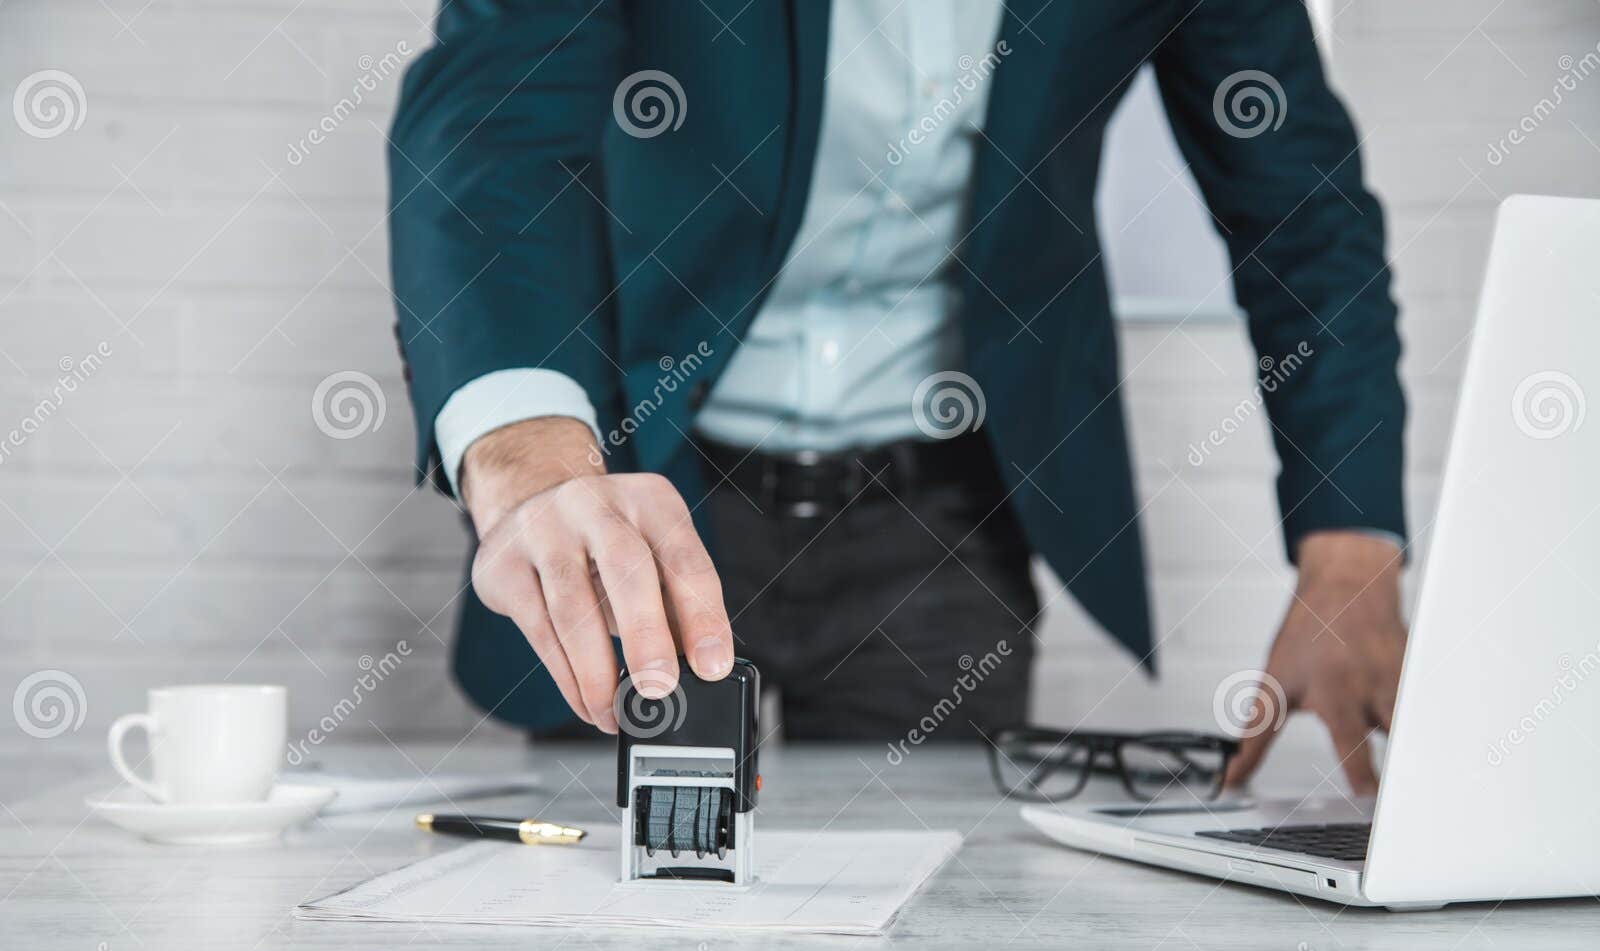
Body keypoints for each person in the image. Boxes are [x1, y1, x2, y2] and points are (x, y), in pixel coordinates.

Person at [387, 0, 1408, 792]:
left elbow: (1299, 208)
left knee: (929, 943)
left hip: (941, 520)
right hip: (641, 478)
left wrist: (1349, 542)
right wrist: (532, 459)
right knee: (598, 937)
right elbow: (491, 119)